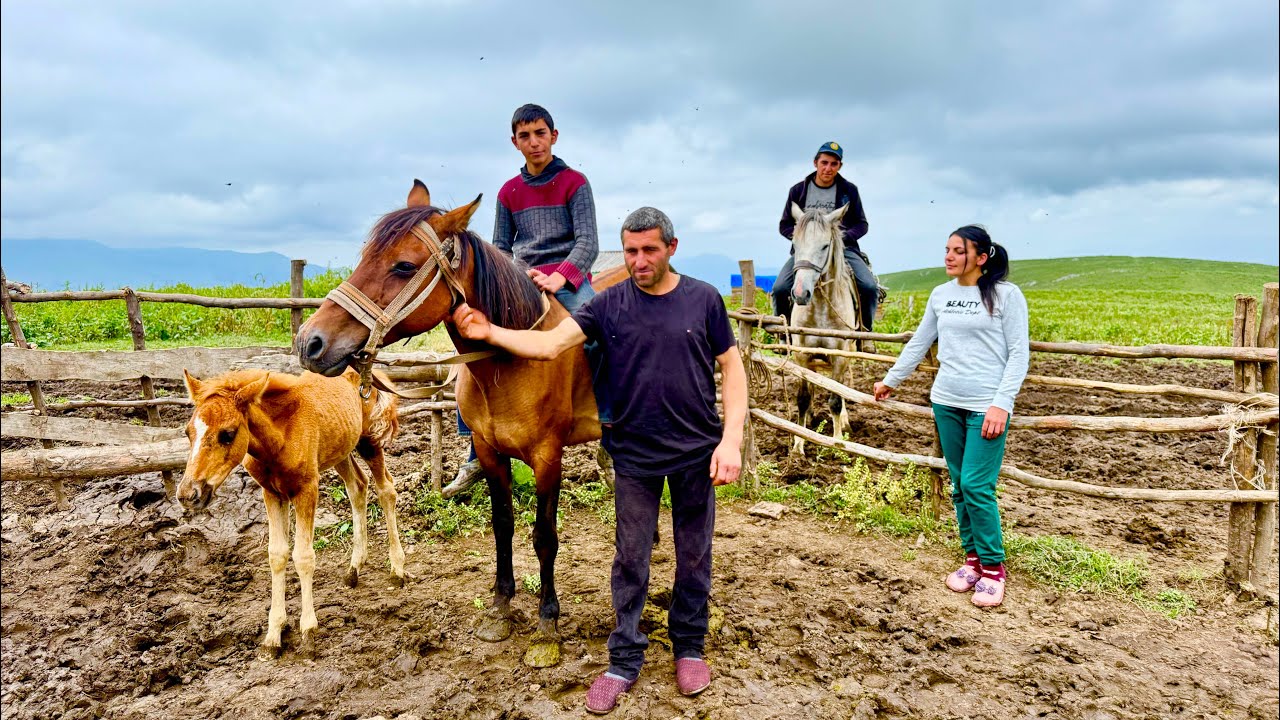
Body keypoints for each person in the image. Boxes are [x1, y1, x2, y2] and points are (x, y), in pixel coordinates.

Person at [452, 207, 747, 714]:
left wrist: (731, 439)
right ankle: (624, 658)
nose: (638, 260)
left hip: (697, 449)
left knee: (694, 552)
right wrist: (489, 333)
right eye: (631, 251)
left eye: (649, 250)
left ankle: (689, 648)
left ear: (671, 248)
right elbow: (547, 345)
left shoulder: (703, 299)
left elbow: (733, 369)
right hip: (634, 451)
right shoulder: (609, 305)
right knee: (630, 557)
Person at [444, 103, 600, 498]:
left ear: (554, 136)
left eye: (540, 134)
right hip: (521, 279)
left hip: (567, 277)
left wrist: (559, 275)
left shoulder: (575, 183)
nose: (534, 142)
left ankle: (611, 425)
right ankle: (476, 448)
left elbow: (588, 242)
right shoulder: (508, 193)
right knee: (475, 344)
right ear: (515, 142)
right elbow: (498, 247)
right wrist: (514, 275)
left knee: (602, 332)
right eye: (525, 136)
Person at [873, 225, 1028, 608]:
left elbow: (1019, 354)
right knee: (960, 485)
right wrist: (892, 379)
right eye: (947, 249)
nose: (948, 256)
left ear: (981, 257)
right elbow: (920, 341)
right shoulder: (942, 294)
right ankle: (972, 560)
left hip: (985, 407)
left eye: (958, 250)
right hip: (946, 402)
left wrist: (1001, 403)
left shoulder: (1006, 295)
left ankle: (993, 569)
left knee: (977, 486)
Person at [771, 141, 878, 331]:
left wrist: (838, 239)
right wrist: (805, 240)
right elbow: (785, 225)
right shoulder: (797, 191)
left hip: (844, 250)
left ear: (840, 166)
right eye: (824, 162)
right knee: (779, 289)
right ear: (815, 163)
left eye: (834, 164)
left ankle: (865, 334)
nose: (828, 168)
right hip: (805, 253)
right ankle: (783, 332)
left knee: (869, 287)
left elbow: (862, 224)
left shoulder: (849, 191)